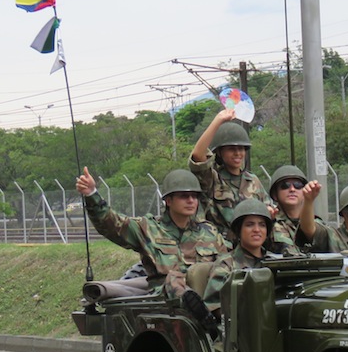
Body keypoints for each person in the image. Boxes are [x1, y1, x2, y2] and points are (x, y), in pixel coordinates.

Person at [75, 166, 227, 317]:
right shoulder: (149, 229)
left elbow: (225, 266)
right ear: (168, 200)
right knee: (173, 279)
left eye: (194, 196)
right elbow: (113, 224)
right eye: (183, 196)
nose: (191, 201)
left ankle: (209, 316)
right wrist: (91, 194)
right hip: (165, 307)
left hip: (208, 304)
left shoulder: (209, 232)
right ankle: (197, 311)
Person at [201, 198, 299, 314]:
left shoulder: (275, 262)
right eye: (249, 225)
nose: (257, 230)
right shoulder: (226, 265)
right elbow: (214, 306)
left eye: (262, 225)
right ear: (239, 230)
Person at [189, 108, 272, 243]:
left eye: (241, 149)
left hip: (250, 245)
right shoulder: (213, 179)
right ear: (220, 152)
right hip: (220, 246)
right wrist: (218, 120)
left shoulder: (253, 181)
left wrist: (268, 212)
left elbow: (267, 209)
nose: (238, 153)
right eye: (231, 149)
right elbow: (198, 155)